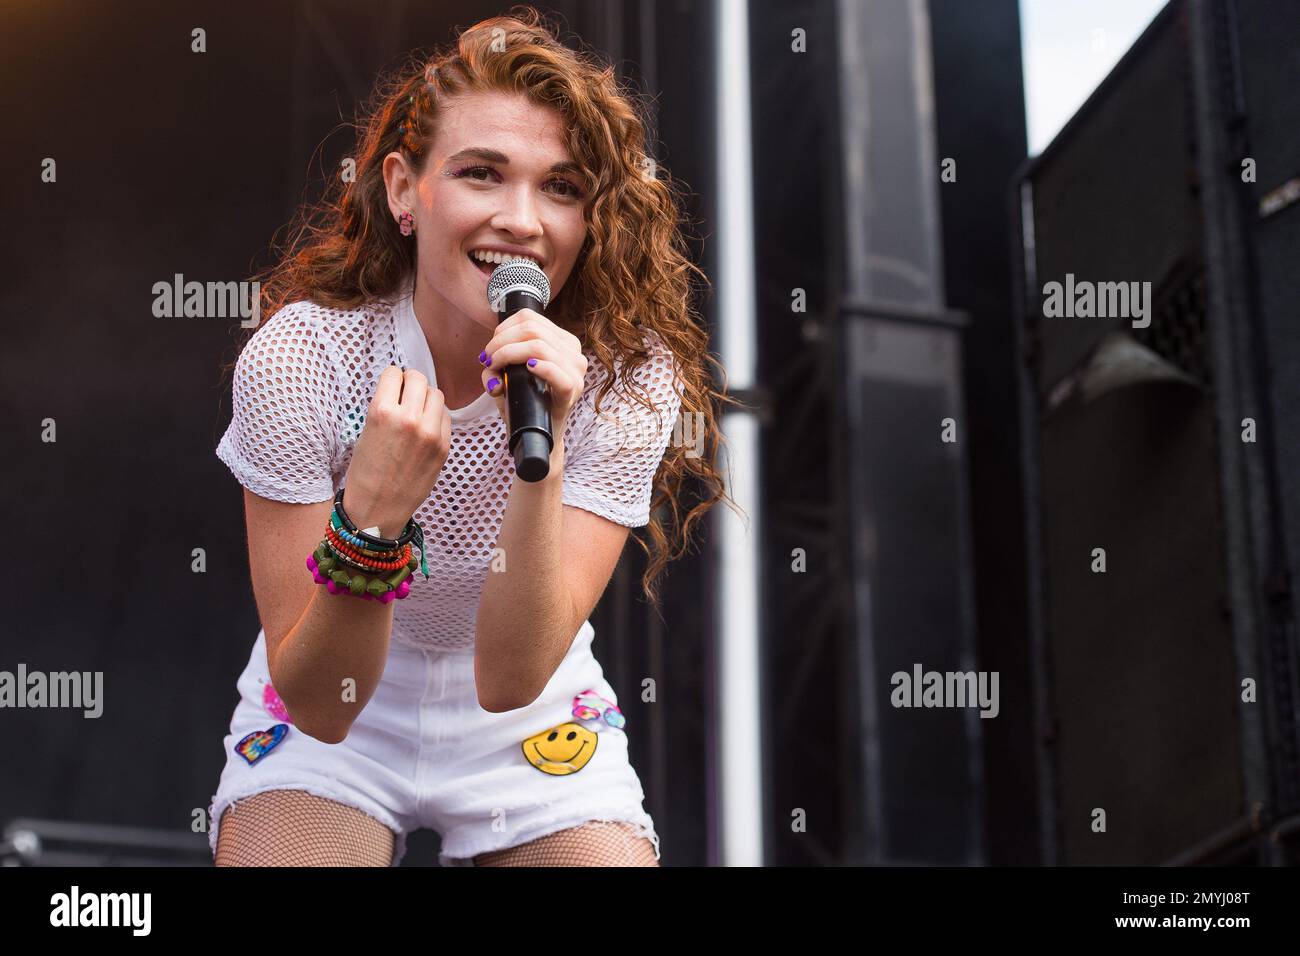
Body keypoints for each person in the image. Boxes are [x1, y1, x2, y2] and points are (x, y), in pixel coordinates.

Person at [207, 7, 736, 866]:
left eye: (561, 187)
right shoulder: (303, 357)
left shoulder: (623, 379)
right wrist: (373, 518)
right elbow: (321, 702)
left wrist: (546, 455)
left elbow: (511, 676)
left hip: (528, 718)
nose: (522, 220)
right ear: (403, 191)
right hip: (341, 700)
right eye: (482, 174)